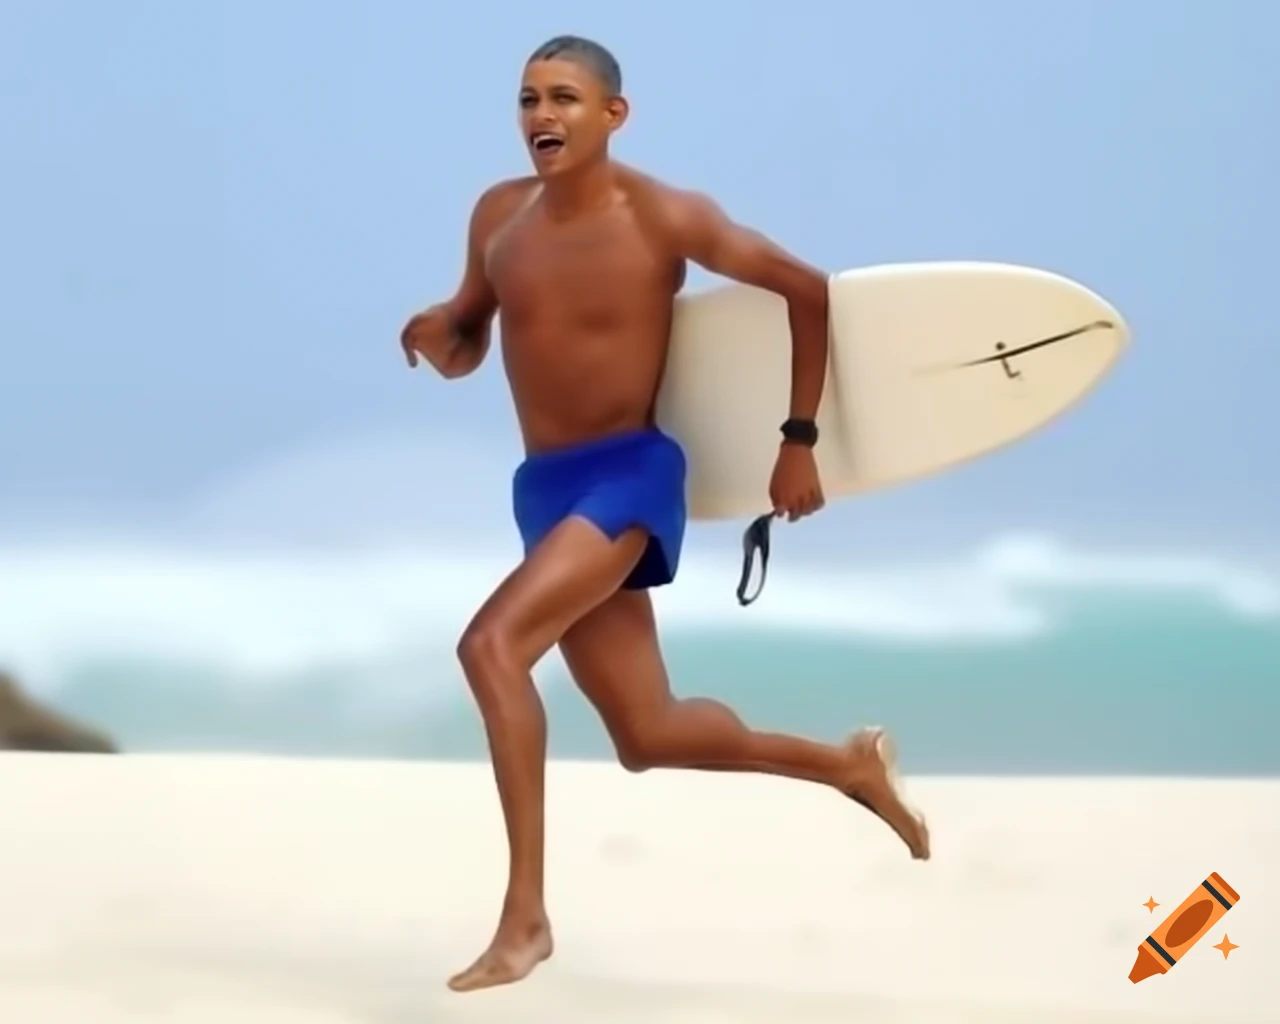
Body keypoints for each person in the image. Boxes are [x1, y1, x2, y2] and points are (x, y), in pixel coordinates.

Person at [399, 34, 930, 994]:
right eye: (527, 99)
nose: (541, 117)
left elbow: (807, 290)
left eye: (563, 98)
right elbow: (473, 333)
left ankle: (526, 920)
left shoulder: (665, 217)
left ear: (613, 114)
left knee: (490, 649)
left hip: (629, 475)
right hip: (545, 488)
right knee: (648, 735)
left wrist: (798, 438)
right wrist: (440, 333)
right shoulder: (497, 218)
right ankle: (847, 765)